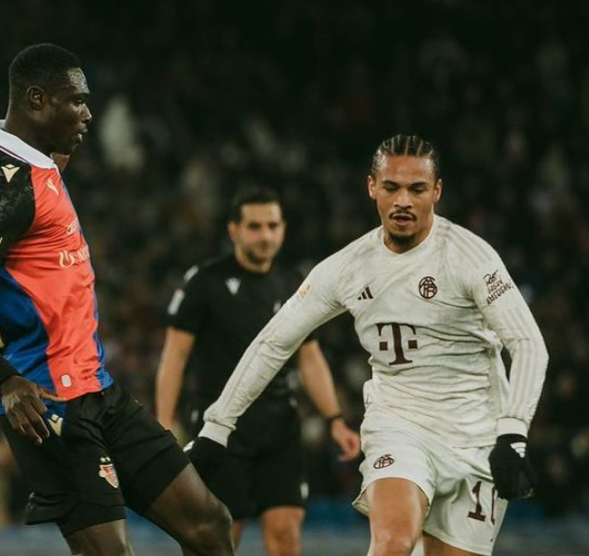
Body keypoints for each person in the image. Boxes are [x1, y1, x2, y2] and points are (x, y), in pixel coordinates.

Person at [0, 43, 234, 556]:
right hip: (47, 405)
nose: (89, 113)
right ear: (37, 100)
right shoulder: (12, 188)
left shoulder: (4, 162)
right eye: (77, 101)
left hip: (98, 390)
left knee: (209, 524)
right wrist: (5, 381)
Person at [187, 135, 548, 556]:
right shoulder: (348, 267)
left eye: (416, 189)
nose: (403, 201)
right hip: (400, 424)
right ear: (371, 187)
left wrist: (513, 432)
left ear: (437, 191)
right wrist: (217, 426)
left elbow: (527, 342)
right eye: (392, 187)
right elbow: (274, 341)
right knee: (393, 542)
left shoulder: (471, 258)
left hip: (477, 436)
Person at [155, 187, 361, 555]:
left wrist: (334, 418)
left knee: (285, 534)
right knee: (220, 535)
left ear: (283, 229)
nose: (265, 235)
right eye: (254, 226)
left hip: (279, 426)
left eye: (272, 225)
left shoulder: (293, 285)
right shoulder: (205, 282)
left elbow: (309, 357)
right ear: (233, 230)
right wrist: (166, 419)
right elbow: (175, 356)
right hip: (220, 429)